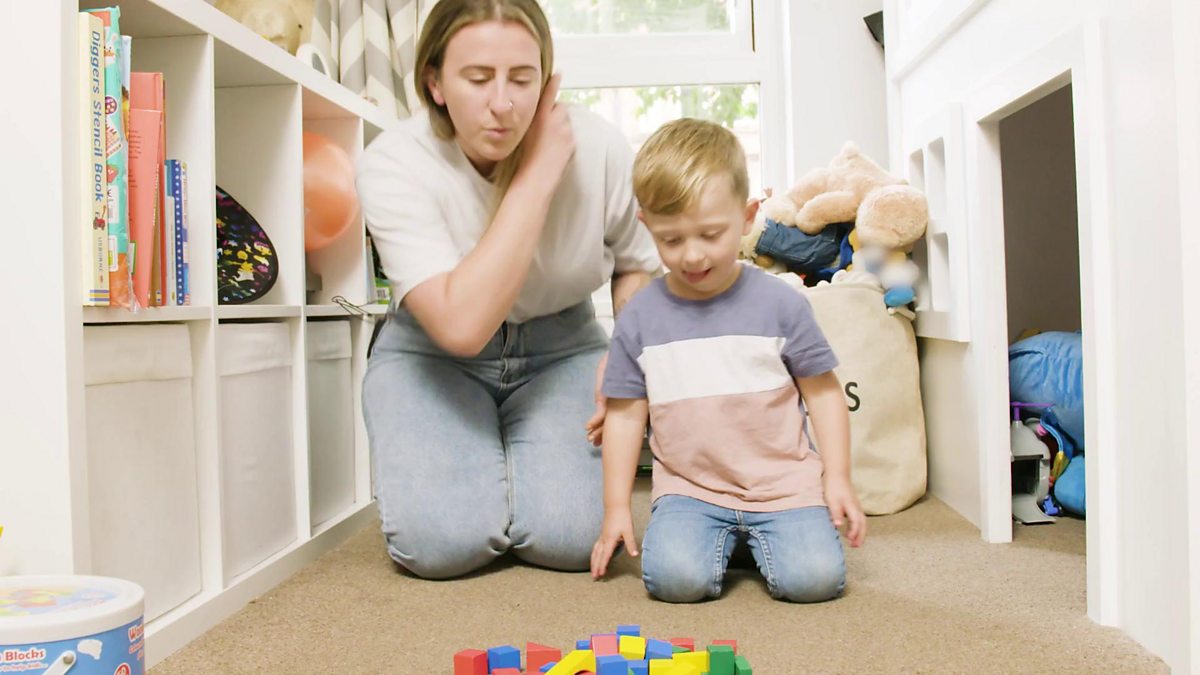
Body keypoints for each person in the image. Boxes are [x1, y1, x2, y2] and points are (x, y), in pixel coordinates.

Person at [355, 0, 660, 579]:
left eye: (523, 79)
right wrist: (539, 172)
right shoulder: (393, 162)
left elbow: (635, 265)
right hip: (433, 357)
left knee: (572, 541)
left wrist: (625, 355)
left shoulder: (600, 148)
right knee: (442, 547)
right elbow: (461, 327)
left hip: (563, 347)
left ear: (547, 82)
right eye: (477, 79)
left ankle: (511, 468)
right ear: (435, 82)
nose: (503, 104)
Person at [588, 118, 867, 603]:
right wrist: (616, 508)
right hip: (691, 491)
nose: (692, 256)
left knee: (815, 581)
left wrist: (837, 477)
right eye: (671, 240)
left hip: (783, 488)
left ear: (747, 216)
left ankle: (756, 540)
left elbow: (823, 395)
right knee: (675, 581)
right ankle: (723, 541)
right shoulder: (640, 318)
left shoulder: (782, 305)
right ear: (646, 225)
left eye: (710, 234)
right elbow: (625, 416)